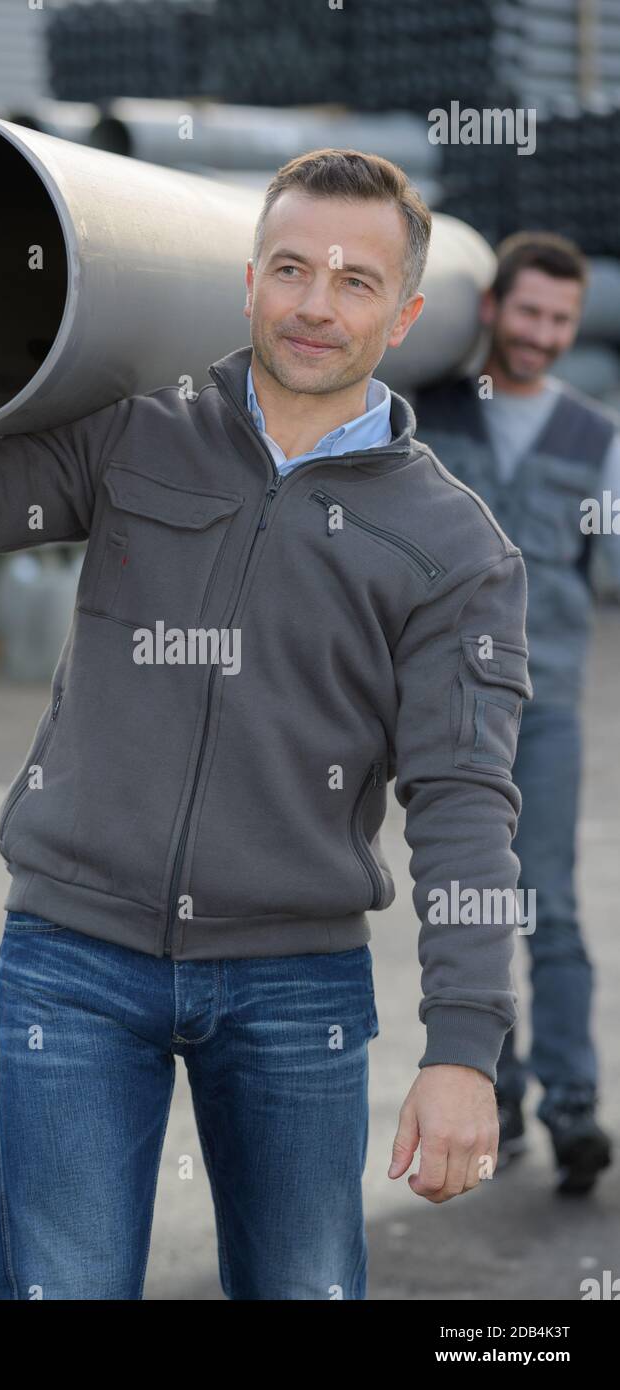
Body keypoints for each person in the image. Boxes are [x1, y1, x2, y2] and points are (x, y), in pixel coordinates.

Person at [0, 149, 533, 1300]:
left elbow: (465, 801)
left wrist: (465, 1048)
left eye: (355, 281)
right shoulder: (135, 433)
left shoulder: (455, 546)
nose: (315, 304)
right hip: (74, 960)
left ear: (405, 313)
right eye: (289, 268)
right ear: (247, 282)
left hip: (293, 983)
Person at [412, 232, 616, 1195]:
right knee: (465, 903)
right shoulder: (426, 412)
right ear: (491, 309)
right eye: (527, 313)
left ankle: (574, 1106)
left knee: (554, 907)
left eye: (560, 321)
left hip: (546, 709)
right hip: (437, 706)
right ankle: (494, 1097)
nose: (541, 335)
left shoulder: (596, 439)